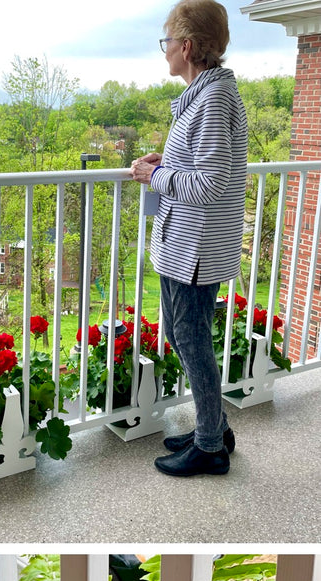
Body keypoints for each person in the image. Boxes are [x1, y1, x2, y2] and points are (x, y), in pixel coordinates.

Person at [129, 0, 247, 477]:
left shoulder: (214, 98)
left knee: (189, 337)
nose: (164, 53)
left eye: (168, 43)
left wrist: (156, 178)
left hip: (196, 246)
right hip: (184, 242)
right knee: (184, 335)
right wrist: (166, 165)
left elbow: (209, 182)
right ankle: (214, 427)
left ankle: (210, 446)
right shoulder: (203, 94)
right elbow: (197, 167)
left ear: (188, 46)